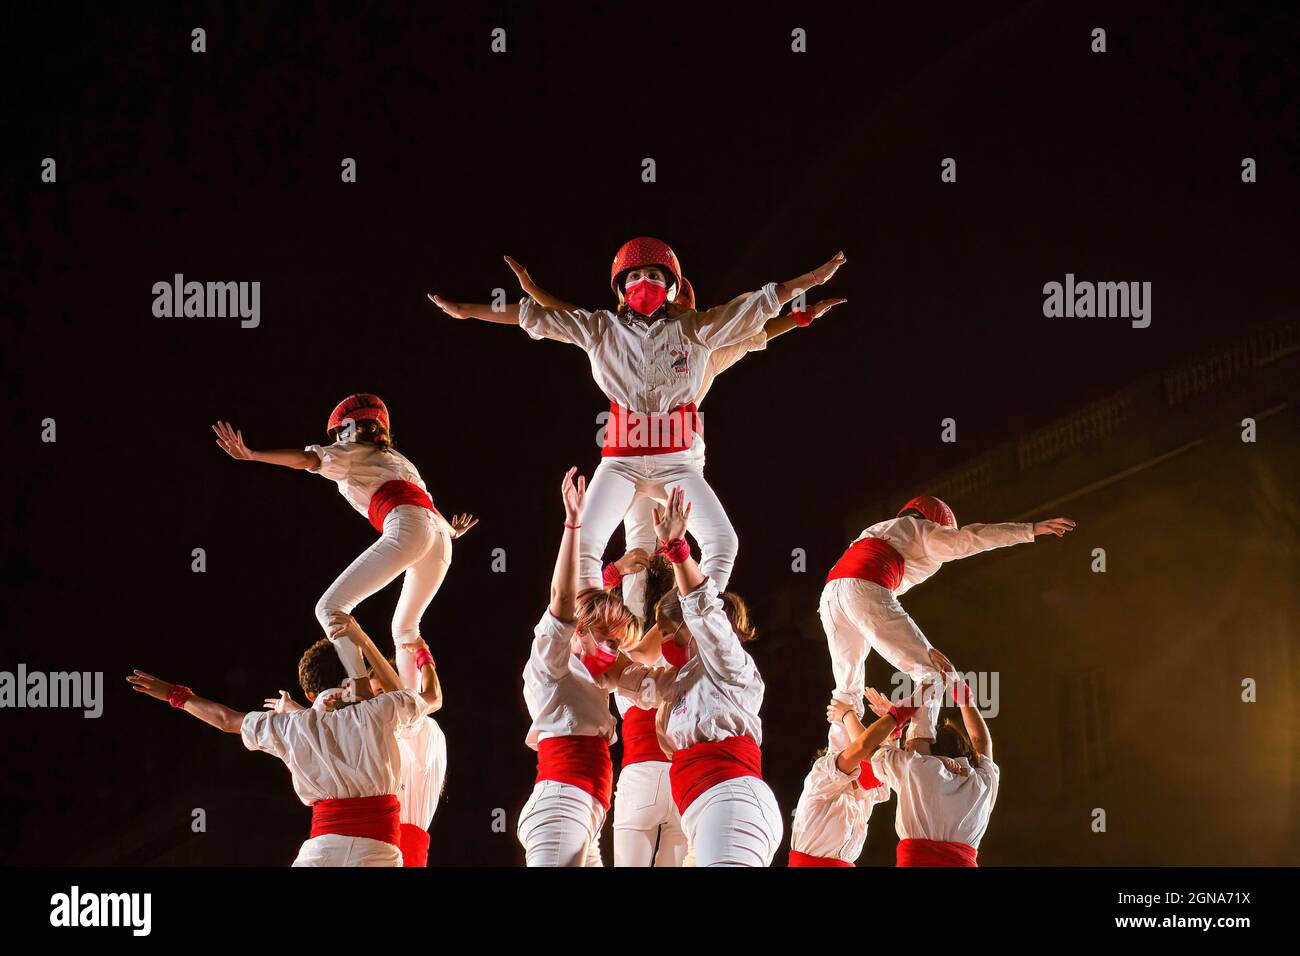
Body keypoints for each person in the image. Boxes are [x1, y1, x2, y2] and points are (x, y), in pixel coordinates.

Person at [429, 239, 845, 597]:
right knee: (617, 551)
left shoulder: (701, 336)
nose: (645, 285)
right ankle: (606, 634)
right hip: (622, 460)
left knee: (719, 542)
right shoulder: (604, 328)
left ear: (675, 291)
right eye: (634, 277)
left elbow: (756, 316)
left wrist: (806, 295)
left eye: (657, 279)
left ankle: (695, 626)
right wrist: (471, 309)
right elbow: (548, 318)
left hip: (678, 462)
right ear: (620, 290)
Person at [128, 617, 440, 866]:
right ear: (353, 678)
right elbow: (431, 697)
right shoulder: (380, 710)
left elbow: (226, 720)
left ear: (308, 694)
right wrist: (417, 655)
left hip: (321, 853)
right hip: (379, 853)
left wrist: (177, 695)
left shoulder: (292, 726)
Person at [211, 398, 476, 680]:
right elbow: (424, 503)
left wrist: (253, 454)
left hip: (410, 527)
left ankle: (362, 691)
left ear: (346, 430)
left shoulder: (350, 450)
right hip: (439, 539)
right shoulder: (398, 459)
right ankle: (412, 710)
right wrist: (451, 530)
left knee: (330, 608)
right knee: (406, 628)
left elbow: (307, 459)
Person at [822, 494, 1074, 749]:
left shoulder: (878, 530)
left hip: (830, 597)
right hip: (864, 588)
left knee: (846, 688)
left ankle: (839, 766)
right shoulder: (925, 531)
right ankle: (919, 748)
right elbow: (973, 538)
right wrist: (1029, 530)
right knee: (932, 672)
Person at [614, 487, 783, 866]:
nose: (664, 640)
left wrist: (677, 548)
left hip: (730, 803)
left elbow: (705, 607)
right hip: (702, 806)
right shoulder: (681, 681)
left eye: (667, 631)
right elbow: (627, 676)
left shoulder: (728, 661)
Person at [517, 467, 653, 866]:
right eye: (608, 641)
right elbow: (563, 598)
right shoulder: (551, 665)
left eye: (617, 643)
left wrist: (615, 573)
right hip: (561, 808)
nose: (613, 650)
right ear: (579, 631)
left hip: (585, 812)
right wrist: (573, 525)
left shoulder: (591, 673)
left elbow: (595, 617)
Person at [266, 633, 449, 867]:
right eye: (374, 696)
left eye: (382, 695)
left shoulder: (422, 730)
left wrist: (421, 656)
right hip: (367, 844)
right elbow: (336, 741)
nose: (377, 704)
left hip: (398, 848)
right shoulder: (378, 734)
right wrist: (297, 714)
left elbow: (426, 697)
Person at [855, 650, 1000, 867]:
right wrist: (897, 718)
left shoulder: (916, 769)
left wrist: (958, 690)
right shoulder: (979, 784)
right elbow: (866, 749)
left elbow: (980, 743)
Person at [788, 691, 893, 867]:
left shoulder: (860, 795)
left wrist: (892, 732)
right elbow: (862, 748)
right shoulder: (821, 779)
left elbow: (884, 768)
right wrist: (847, 714)